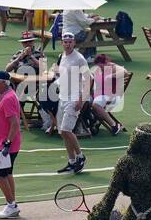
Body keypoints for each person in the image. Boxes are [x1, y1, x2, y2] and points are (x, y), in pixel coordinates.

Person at [52, 32, 90, 174]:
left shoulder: (79, 59)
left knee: (67, 130)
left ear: (74, 43)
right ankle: (71, 161)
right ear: (62, 43)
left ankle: (80, 156)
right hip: (63, 97)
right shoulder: (62, 57)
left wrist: (81, 98)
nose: (67, 44)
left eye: (70, 41)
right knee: (62, 131)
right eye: (65, 42)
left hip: (74, 98)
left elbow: (87, 80)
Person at [0, 71, 22, 219]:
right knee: (7, 173)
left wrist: (7, 144)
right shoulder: (4, 96)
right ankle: (12, 204)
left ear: (3, 82)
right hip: (5, 143)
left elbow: (15, 124)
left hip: (6, 145)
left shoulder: (8, 98)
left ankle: (11, 205)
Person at [89, 54, 126, 135]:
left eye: (101, 66)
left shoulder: (113, 66)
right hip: (100, 94)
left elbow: (124, 72)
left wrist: (111, 76)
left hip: (111, 95)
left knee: (95, 105)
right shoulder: (98, 69)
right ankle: (91, 124)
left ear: (106, 62)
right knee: (85, 102)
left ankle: (114, 125)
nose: (100, 68)